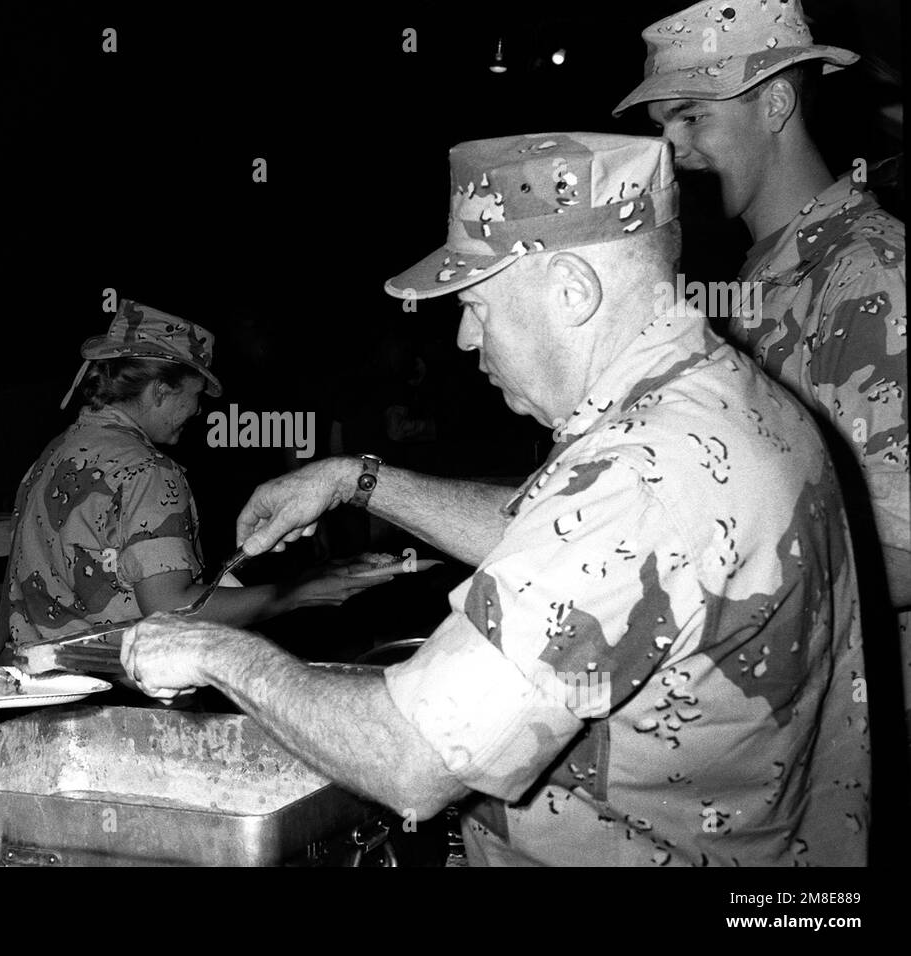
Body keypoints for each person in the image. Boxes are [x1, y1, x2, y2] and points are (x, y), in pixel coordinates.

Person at [120, 133, 870, 865]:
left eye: (476, 304)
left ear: (573, 291)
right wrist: (353, 478)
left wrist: (216, 653)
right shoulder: (716, 396)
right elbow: (553, 530)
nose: (464, 339)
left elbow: (410, 761)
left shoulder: (638, 475)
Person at [613, 0, 909, 738]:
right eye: (662, 127)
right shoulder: (759, 279)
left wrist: (685, 588)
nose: (672, 150)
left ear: (776, 101)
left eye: (690, 116)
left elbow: (901, 559)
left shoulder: (868, 273)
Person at [0, 300, 382, 666]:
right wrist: (296, 594)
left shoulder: (52, 456)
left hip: (38, 686)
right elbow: (170, 609)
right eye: (195, 395)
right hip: (121, 698)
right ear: (161, 390)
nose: (197, 410)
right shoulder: (148, 471)